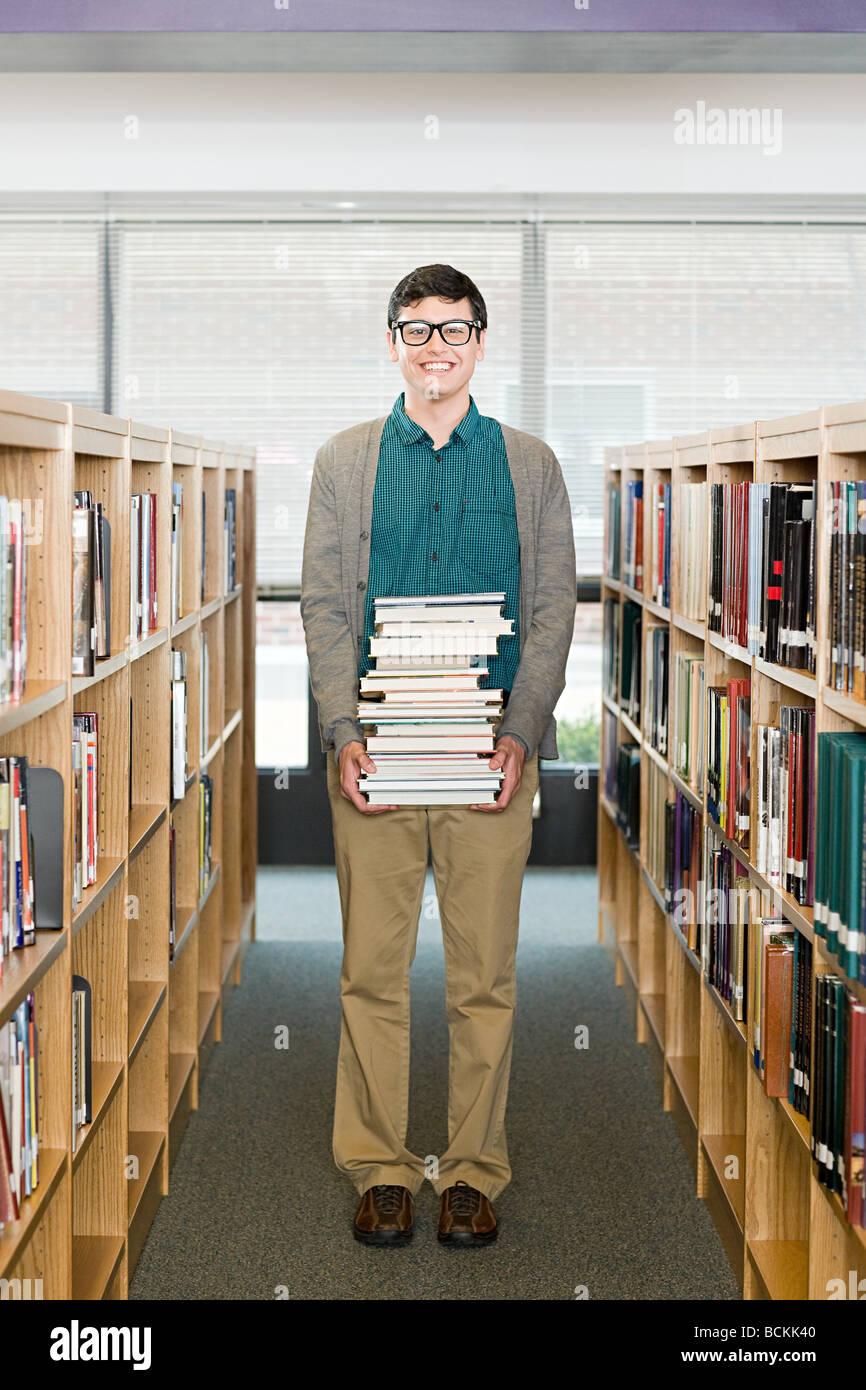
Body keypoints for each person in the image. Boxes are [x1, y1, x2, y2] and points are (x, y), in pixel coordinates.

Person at [300, 263, 576, 1247]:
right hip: (374, 753)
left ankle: (468, 1169)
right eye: (415, 330)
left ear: (478, 344)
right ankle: (379, 1165)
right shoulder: (343, 464)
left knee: (483, 977)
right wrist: (342, 732)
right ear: (391, 342)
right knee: (370, 972)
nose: (434, 348)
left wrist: (520, 732)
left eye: (452, 330)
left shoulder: (530, 466)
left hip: (486, 754)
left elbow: (549, 614)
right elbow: (325, 610)